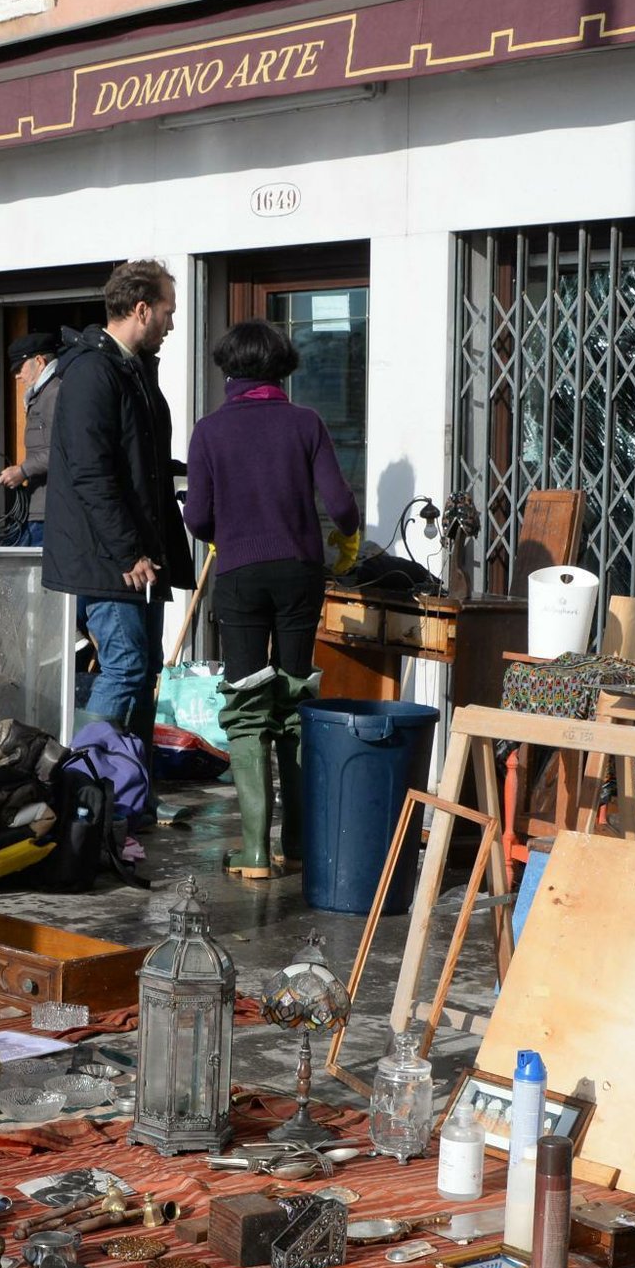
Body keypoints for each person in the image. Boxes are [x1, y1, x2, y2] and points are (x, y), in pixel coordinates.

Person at [183, 318, 360, 879]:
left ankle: (256, 851)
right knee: (294, 697)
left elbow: (198, 518)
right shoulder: (306, 423)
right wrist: (344, 539)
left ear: (229, 372)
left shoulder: (209, 431)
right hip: (300, 573)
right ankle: (300, 842)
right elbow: (342, 504)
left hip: (239, 573)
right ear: (282, 370)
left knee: (247, 704)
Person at [42, 261, 195, 757]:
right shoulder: (93, 372)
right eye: (168, 312)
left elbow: (136, 460)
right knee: (126, 669)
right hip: (109, 560)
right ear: (142, 308)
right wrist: (129, 552)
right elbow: (92, 473)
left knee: (143, 670)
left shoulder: (131, 370)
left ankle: (131, 796)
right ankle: (87, 786)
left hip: (134, 556)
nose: (172, 324)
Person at [0, 330, 61, 547]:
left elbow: (61, 449)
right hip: (39, 509)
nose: (16, 375)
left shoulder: (55, 393)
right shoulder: (42, 394)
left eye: (19, 368)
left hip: (50, 512)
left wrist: (22, 471)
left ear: (39, 361)